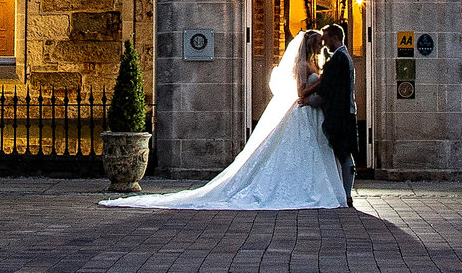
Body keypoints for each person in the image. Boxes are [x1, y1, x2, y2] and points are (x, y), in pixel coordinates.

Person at [99, 28, 348, 210]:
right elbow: (301, 92)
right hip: (303, 112)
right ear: (310, 45)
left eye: (320, 43)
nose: (320, 46)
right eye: (317, 43)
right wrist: (321, 85)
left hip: (312, 115)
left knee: (307, 154)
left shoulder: (316, 63)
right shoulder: (304, 66)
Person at [301, 21, 356, 204]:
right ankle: (343, 192)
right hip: (343, 111)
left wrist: (309, 101)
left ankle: (346, 194)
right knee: (341, 152)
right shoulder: (343, 57)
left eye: (325, 40)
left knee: (342, 152)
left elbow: (328, 89)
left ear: (335, 38)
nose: (323, 44)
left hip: (339, 113)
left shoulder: (338, 60)